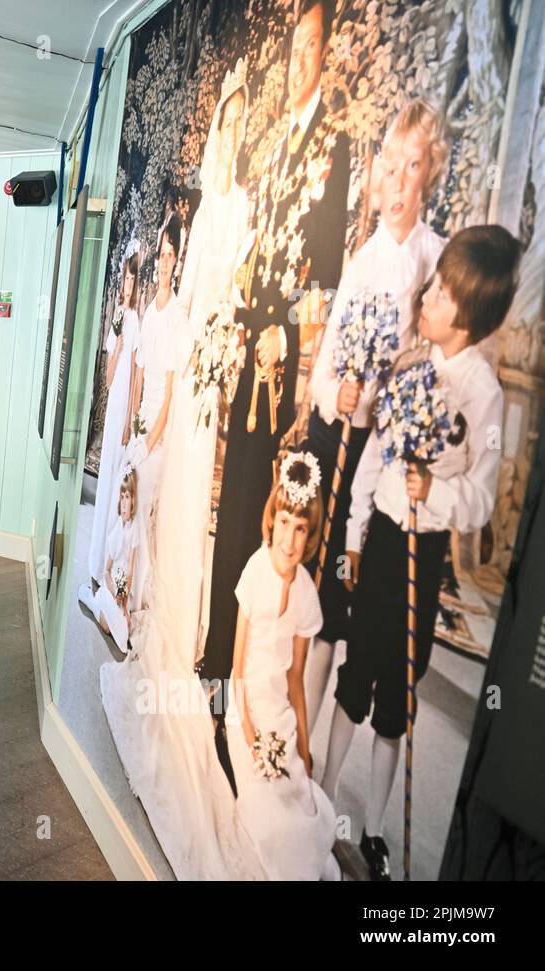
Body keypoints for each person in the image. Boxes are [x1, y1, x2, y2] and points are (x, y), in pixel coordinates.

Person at [320, 225, 521, 881]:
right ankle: (323, 798)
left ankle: (373, 829)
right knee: (356, 677)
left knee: (397, 697)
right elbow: (371, 463)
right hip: (379, 544)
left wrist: (435, 490)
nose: (426, 295)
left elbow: (482, 498)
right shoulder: (408, 367)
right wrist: (351, 533)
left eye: (438, 292)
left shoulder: (483, 394)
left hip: (424, 553)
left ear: (464, 314)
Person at [200, 0, 352, 702]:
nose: (297, 62)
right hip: (246, 345)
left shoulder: (335, 141)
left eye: (309, 48)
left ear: (324, 54)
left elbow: (323, 266)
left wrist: (289, 336)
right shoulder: (271, 143)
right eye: (291, 49)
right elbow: (258, 248)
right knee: (233, 505)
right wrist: (240, 316)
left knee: (270, 515)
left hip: (286, 360)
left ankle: (256, 678)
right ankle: (214, 655)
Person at [302, 100, 449, 730]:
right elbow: (322, 375)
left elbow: (443, 372)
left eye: (414, 167)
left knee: (377, 619)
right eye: (391, 166)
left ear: (429, 175)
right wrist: (335, 391)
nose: (398, 183)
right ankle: (300, 739)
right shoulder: (360, 263)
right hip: (341, 445)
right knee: (328, 595)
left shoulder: (438, 263)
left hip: (392, 465)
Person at [146, 63, 250, 669]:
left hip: (211, 370)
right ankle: (164, 610)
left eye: (241, 124)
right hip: (190, 367)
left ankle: (187, 626)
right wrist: (182, 352)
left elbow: (235, 293)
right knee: (177, 486)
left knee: (194, 492)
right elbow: (185, 298)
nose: (232, 134)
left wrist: (220, 343)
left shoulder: (240, 207)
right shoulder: (208, 206)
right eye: (226, 123)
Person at [224, 451, 340, 881]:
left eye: (301, 529)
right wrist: (252, 739)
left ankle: (310, 854)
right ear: (273, 520)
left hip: (280, 712)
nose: (290, 541)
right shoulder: (256, 570)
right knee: (267, 819)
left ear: (310, 535)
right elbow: (236, 670)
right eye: (285, 524)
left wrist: (304, 750)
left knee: (299, 792)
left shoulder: (307, 594)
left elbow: (295, 682)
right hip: (246, 707)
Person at [131, 213, 192, 607]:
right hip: (140, 423)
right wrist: (131, 429)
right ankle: (128, 586)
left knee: (145, 510)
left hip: (159, 429)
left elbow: (170, 394)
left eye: (172, 254)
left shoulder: (176, 317)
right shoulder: (149, 310)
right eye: (162, 254)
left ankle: (143, 594)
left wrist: (150, 439)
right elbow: (139, 372)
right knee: (132, 507)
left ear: (178, 261)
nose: (166, 261)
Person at [84, 252, 141, 598]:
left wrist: (130, 422)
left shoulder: (136, 319)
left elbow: (136, 374)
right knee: (106, 477)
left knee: (119, 476)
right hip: (113, 402)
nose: (129, 285)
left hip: (125, 411)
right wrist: (116, 346)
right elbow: (108, 378)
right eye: (126, 279)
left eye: (134, 280)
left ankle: (112, 554)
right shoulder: (119, 318)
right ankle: (96, 560)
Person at [78, 462, 139, 650]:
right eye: (121, 498)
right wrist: (114, 593)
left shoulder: (134, 531)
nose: (123, 503)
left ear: (133, 501)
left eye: (127, 497)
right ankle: (92, 599)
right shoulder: (115, 534)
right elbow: (106, 570)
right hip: (111, 585)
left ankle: (101, 605)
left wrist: (123, 599)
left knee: (124, 628)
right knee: (106, 626)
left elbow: (130, 570)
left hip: (123, 589)